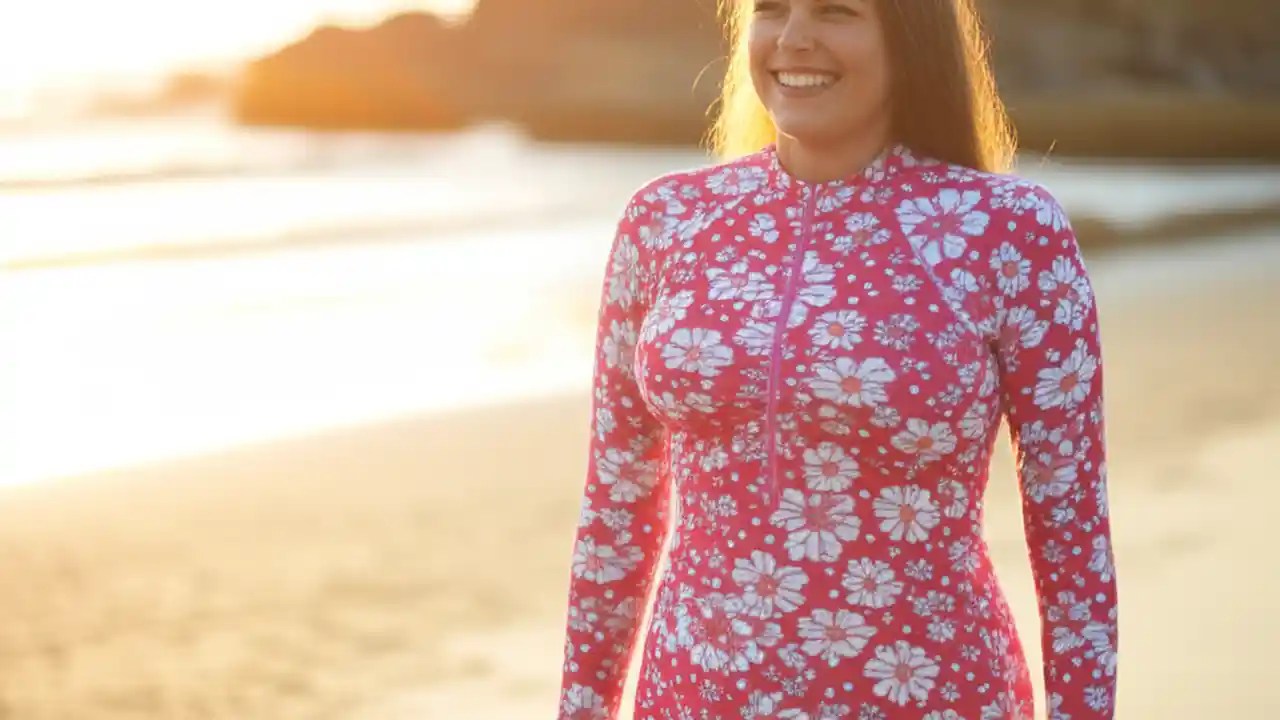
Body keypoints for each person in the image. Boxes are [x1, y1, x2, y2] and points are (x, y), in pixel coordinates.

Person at [555, 0, 1119, 718]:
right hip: (692, 696)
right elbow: (614, 514)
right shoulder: (666, 222)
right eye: (771, 9)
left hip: (932, 696)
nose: (794, 38)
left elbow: (1072, 539)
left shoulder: (1008, 232)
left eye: (835, 11)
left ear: (909, 38)